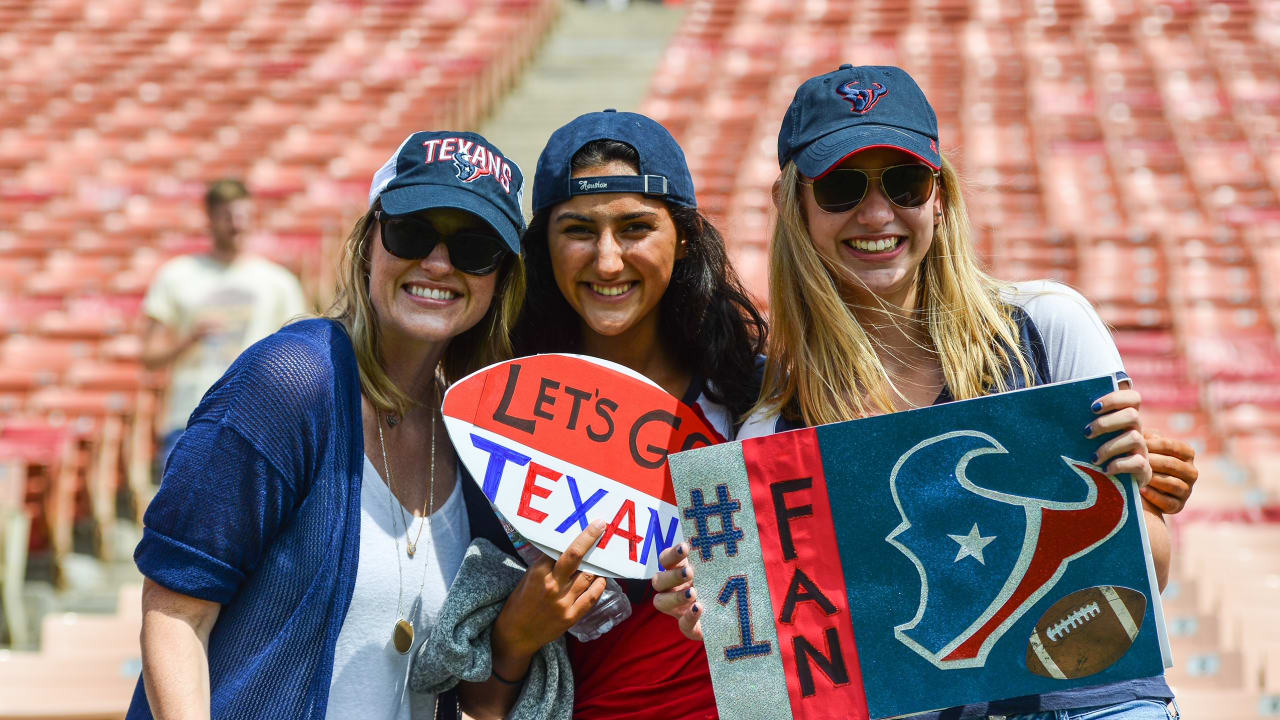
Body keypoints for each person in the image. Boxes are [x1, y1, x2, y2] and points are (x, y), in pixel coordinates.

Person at [652, 65, 1196, 719]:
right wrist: (730, 615)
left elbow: (1149, 575)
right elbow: (789, 686)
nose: (877, 213)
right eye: (842, 187)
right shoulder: (774, 431)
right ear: (792, 204)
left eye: (906, 183)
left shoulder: (1049, 324)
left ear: (940, 196)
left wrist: (1136, 497)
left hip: (1088, 697)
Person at [128, 131, 603, 720]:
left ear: (502, 279)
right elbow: (175, 614)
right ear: (368, 244)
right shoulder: (292, 381)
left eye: (474, 247)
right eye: (412, 231)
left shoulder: (479, 440)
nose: (437, 263)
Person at [511, 109, 767, 719]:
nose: (606, 261)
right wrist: (516, 634)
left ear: (682, 240)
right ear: (543, 247)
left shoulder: (756, 398)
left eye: (635, 227)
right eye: (577, 230)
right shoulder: (503, 408)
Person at [140, 179, 308, 467]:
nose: (237, 225)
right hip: (190, 417)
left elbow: (301, 358)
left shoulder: (279, 282)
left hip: (259, 420)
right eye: (228, 216)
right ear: (210, 219)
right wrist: (189, 339)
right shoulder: (176, 276)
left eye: (244, 216)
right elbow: (149, 358)